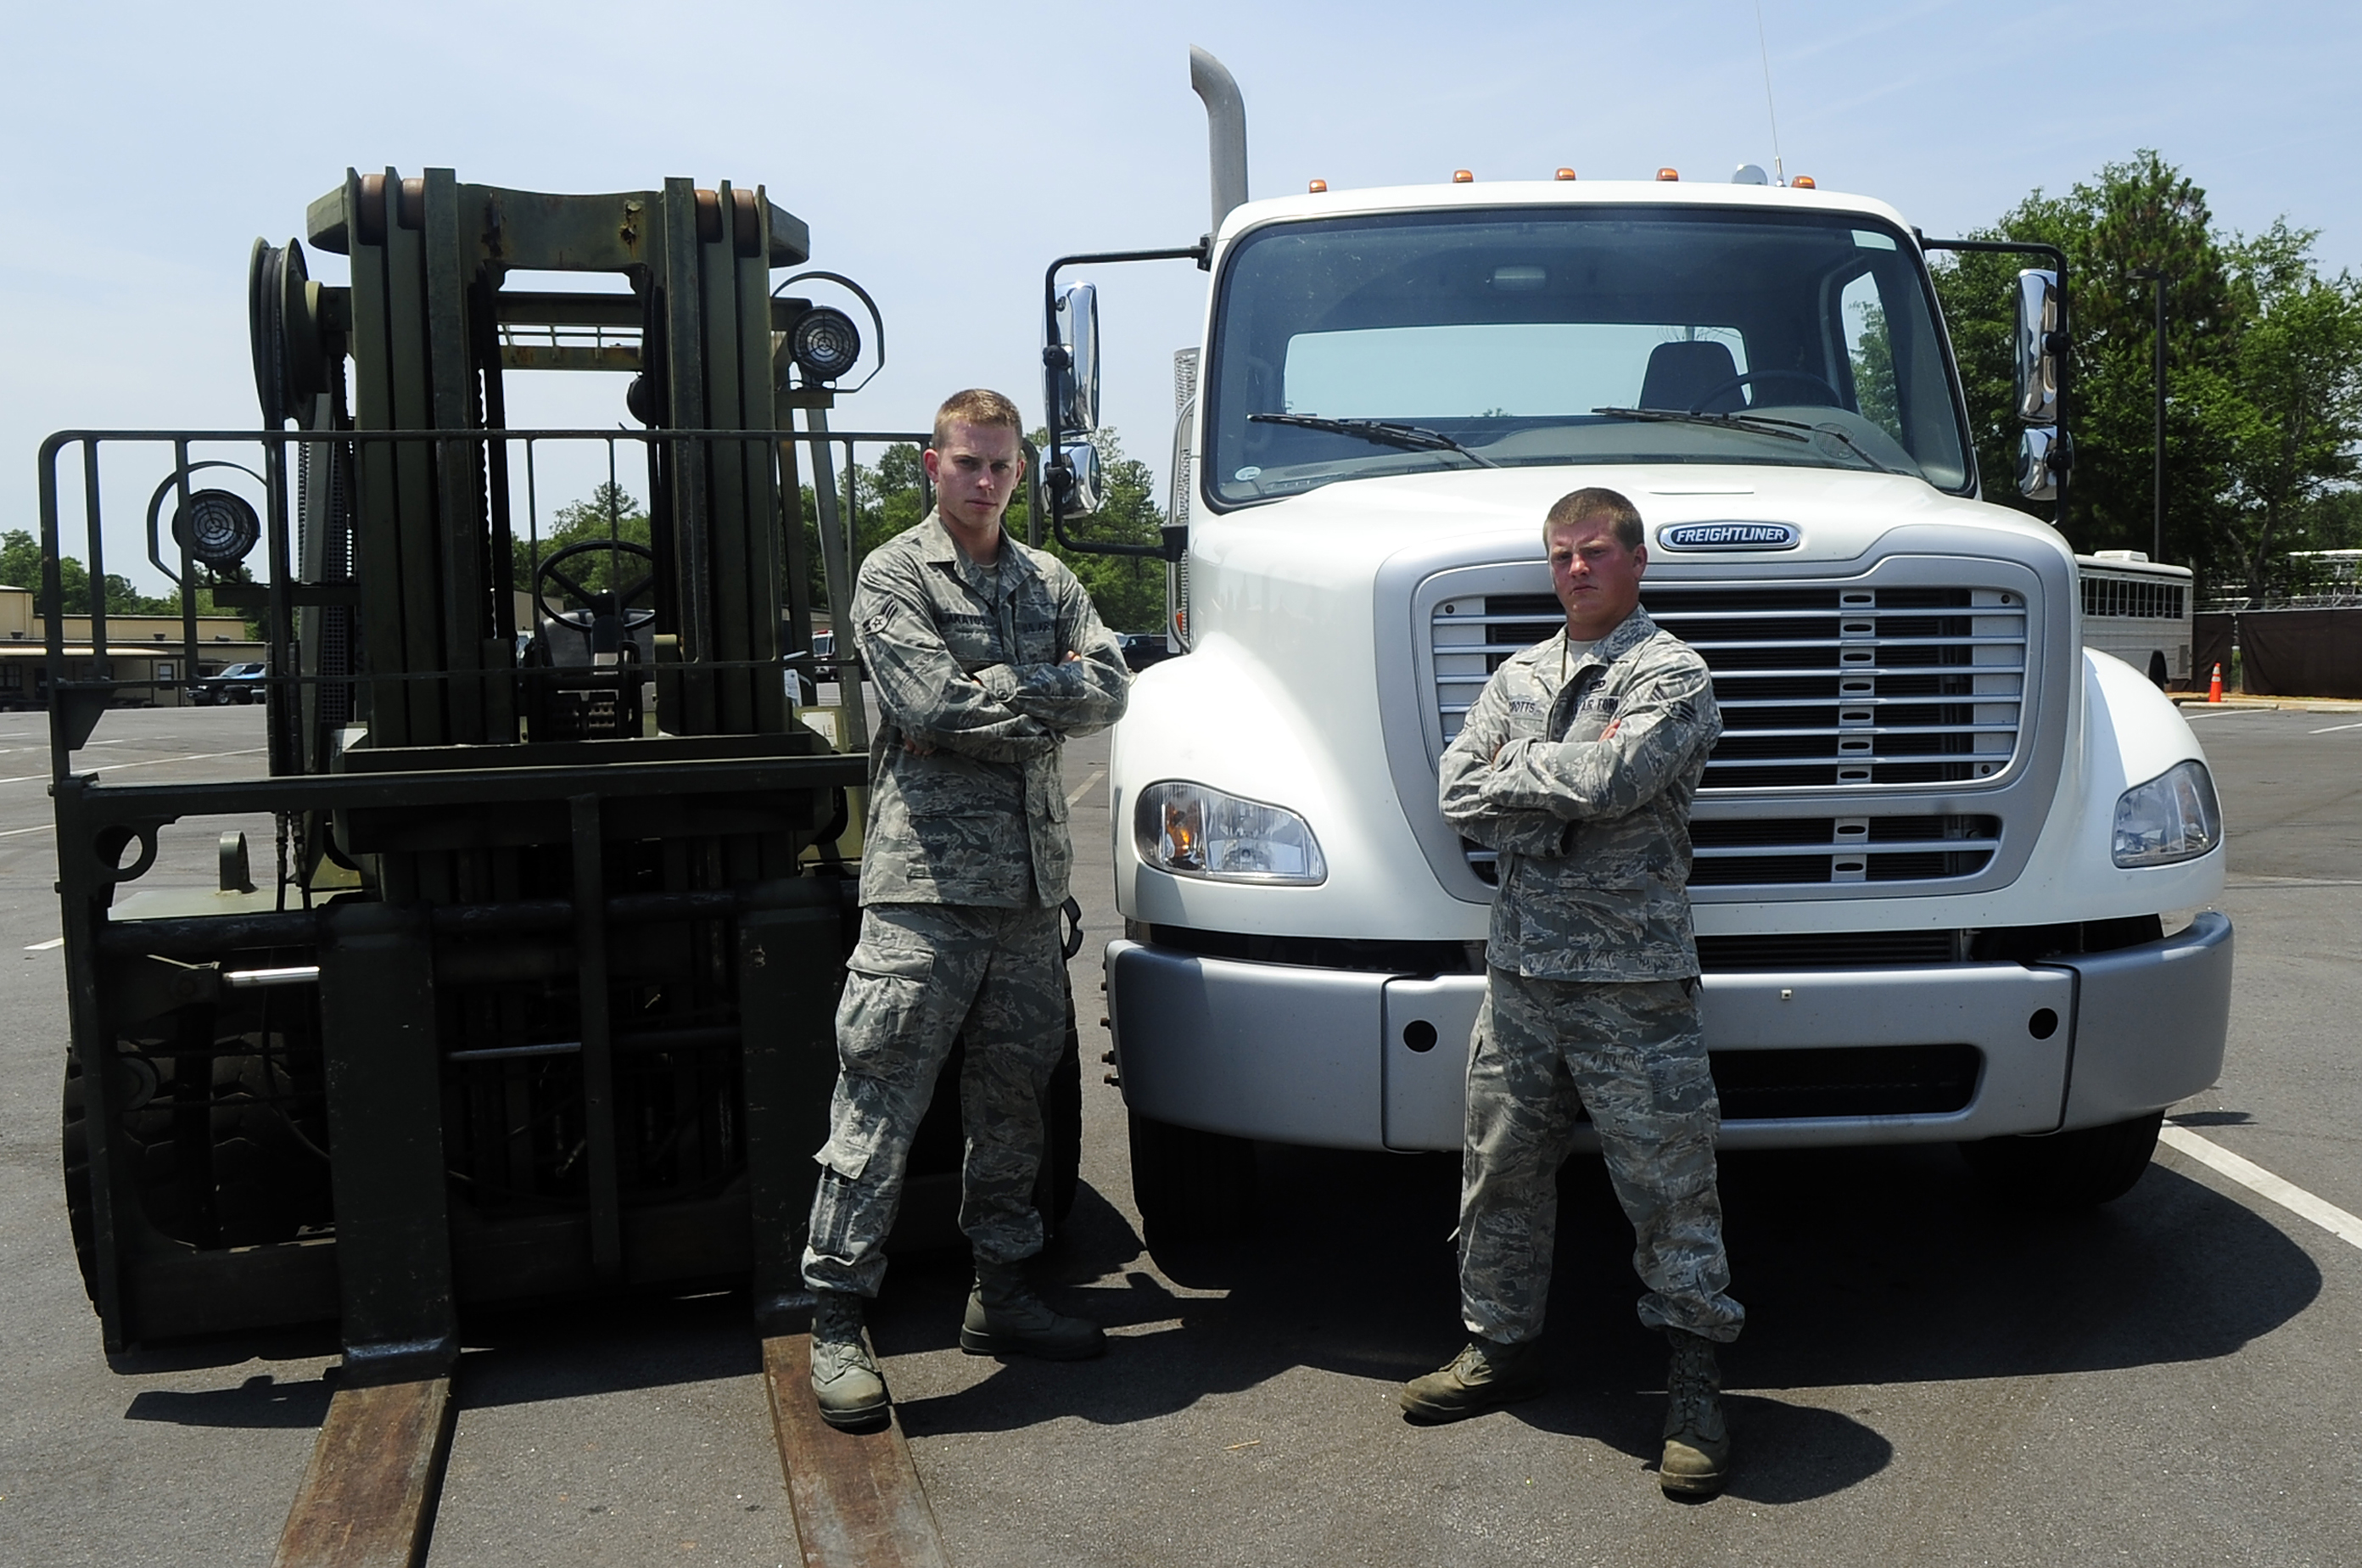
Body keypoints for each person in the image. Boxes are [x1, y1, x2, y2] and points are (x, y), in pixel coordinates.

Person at [1402, 486, 1743, 1498]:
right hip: (1521, 981)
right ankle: (1499, 1347)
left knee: (1669, 1188)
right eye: (1561, 555)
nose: (1577, 569)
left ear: (1637, 561)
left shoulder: (1670, 671)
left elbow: (1619, 780)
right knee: (1499, 1171)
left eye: (1595, 552)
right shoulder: (1519, 673)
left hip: (1633, 984)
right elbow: (1454, 793)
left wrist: (1525, 768)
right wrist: (1559, 770)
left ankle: (1694, 1381)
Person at [803, 389, 1130, 1430]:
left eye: (1000, 465)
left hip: (1030, 898)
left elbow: (1112, 687)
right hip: (926, 895)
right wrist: (1046, 694)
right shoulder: (892, 573)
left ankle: (1005, 1294)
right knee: (879, 1106)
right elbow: (926, 704)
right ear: (931, 466)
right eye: (966, 462)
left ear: (1019, 472)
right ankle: (839, 1319)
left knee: (1013, 1114)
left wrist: (1000, 691)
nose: (983, 480)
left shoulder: (1049, 577)